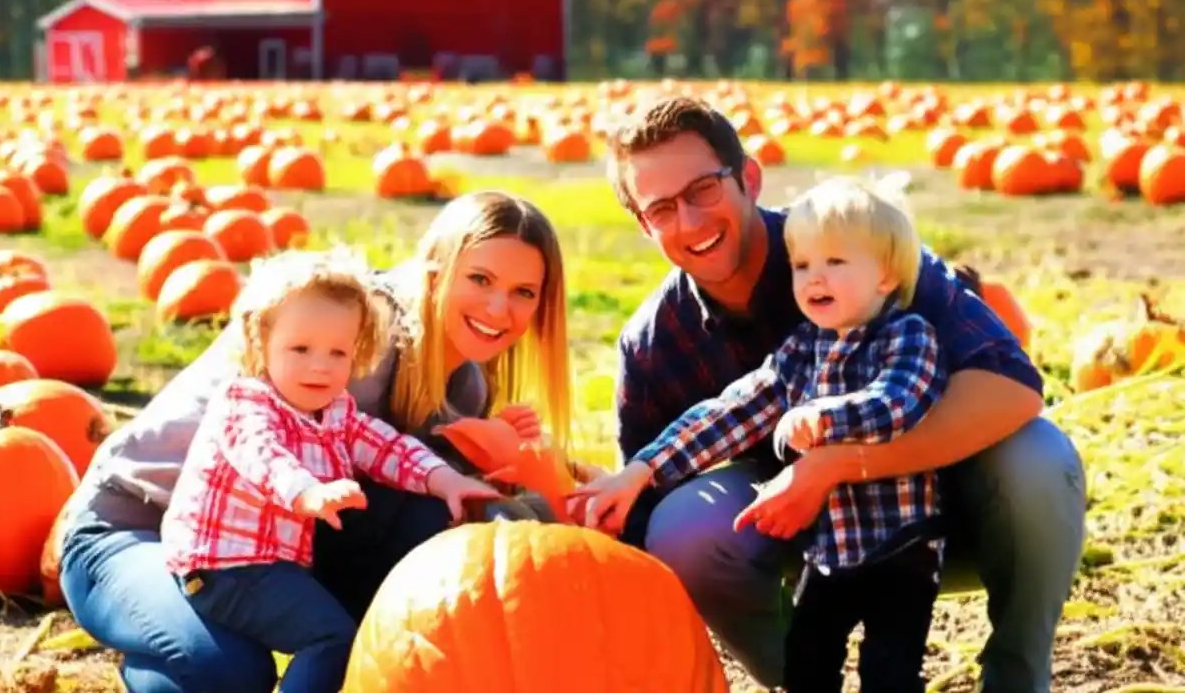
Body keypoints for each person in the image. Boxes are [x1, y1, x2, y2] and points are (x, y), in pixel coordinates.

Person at [568, 96, 1087, 693]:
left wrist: (834, 463)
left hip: (933, 519)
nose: (689, 221)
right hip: (809, 545)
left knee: (1038, 459)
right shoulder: (654, 343)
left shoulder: (858, 246)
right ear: (642, 223)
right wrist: (631, 475)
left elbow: (1013, 384)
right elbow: (718, 429)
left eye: (703, 190)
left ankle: (1017, 678)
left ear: (749, 178)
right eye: (661, 207)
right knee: (680, 528)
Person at [56, 191, 577, 693]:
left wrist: (510, 456)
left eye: (523, 292)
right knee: (227, 673)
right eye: (480, 278)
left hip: (259, 553)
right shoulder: (353, 343)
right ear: (435, 273)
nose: (497, 307)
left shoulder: (465, 384)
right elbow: (264, 452)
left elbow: (411, 479)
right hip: (136, 529)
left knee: (424, 522)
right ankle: (158, 658)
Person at [630, 177, 948, 692]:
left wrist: (827, 417)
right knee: (807, 660)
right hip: (829, 551)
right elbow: (732, 412)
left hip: (901, 551)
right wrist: (647, 465)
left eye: (835, 264)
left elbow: (899, 401)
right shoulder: (803, 349)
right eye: (802, 266)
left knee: (890, 671)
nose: (813, 278)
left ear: (886, 275)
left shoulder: (908, 336)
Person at [160, 250, 501, 692]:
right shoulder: (244, 402)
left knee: (339, 629)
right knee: (330, 638)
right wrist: (307, 493)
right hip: (223, 567)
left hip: (272, 566)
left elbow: (390, 449)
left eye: (337, 352)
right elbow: (262, 454)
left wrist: (446, 479)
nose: (320, 365)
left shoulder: (336, 411)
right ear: (261, 343)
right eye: (300, 349)